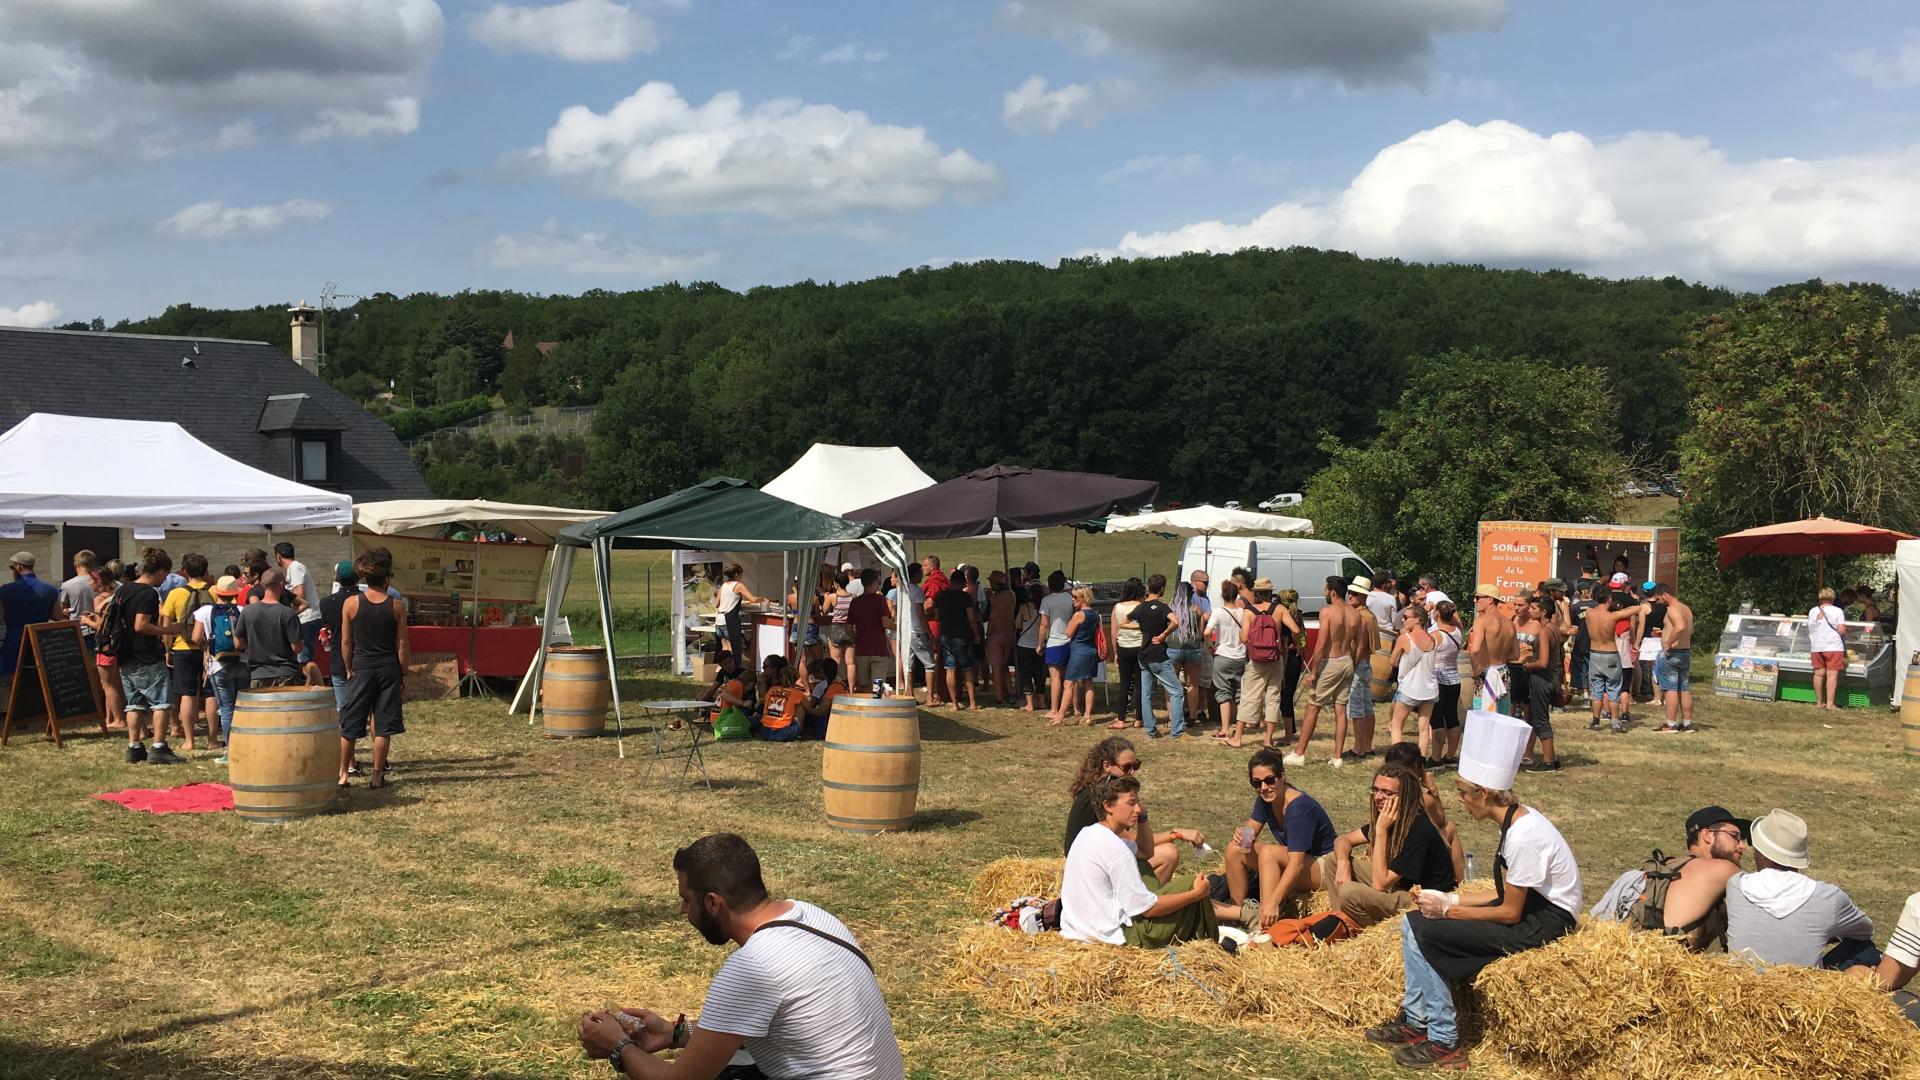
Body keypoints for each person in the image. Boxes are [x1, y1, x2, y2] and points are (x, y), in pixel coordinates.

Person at [577, 833, 905, 1080]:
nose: (682, 910)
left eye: (686, 900)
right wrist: (670, 1033)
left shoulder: (752, 969)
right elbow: (775, 1025)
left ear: (712, 903)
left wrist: (618, 1046)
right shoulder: (815, 917)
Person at [1369, 709, 1582, 1070]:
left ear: (1484, 793)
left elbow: (1510, 912)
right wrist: (1449, 898)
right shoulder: (1515, 820)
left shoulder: (1524, 837)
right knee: (1414, 922)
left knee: (1426, 930)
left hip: (1543, 923)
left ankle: (1444, 1041)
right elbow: (1504, 893)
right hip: (1533, 911)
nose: (1461, 802)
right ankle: (1416, 1020)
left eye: (1464, 794)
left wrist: (1447, 911)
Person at [1061, 774, 1219, 948]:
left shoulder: (1088, 832)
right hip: (1112, 937)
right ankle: (1211, 944)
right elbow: (1147, 909)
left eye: (1138, 803)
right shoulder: (1117, 849)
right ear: (1108, 806)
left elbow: (1145, 851)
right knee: (1192, 883)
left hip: (1078, 931)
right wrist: (1194, 895)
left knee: (1141, 863)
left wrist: (1143, 819)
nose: (1137, 809)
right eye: (1131, 803)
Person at [1724, 808, 1878, 972]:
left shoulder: (1736, 886)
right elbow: (1865, 931)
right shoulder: (1828, 897)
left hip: (1742, 985)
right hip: (1803, 989)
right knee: (1867, 950)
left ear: (1761, 852)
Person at [1589, 806, 1747, 952]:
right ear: (1707, 835)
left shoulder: (1667, 866)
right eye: (1735, 836)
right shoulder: (1725, 869)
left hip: (1630, 951)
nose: (1742, 846)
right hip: (1665, 964)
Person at [1323, 763, 1461, 928]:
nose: (1378, 797)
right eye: (1376, 790)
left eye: (1387, 793)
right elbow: (1343, 840)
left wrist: (1380, 831)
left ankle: (1366, 936)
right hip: (1400, 888)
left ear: (1405, 797)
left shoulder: (1418, 830)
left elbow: (1380, 884)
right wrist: (1343, 863)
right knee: (1333, 860)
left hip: (1424, 901)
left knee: (1349, 892)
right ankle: (1340, 922)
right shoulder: (1392, 818)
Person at [1220, 749, 1337, 930]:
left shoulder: (1298, 808)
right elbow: (1249, 834)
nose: (1264, 788)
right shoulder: (1265, 799)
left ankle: (1265, 924)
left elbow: (1296, 864)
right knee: (1234, 849)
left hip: (1326, 866)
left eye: (1270, 780)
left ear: (1282, 777)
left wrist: (1274, 901)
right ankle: (1238, 916)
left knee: (1269, 853)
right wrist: (1241, 835)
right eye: (1257, 783)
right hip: (1302, 860)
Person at [1063, 736, 1206, 883]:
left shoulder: (1102, 790)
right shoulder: (1100, 796)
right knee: (1168, 854)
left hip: (1096, 861)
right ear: (1107, 766)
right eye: (1126, 767)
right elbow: (1138, 844)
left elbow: (1135, 843)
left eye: (1135, 766)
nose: (1132, 772)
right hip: (1089, 871)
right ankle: (1153, 903)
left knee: (1166, 853)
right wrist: (1176, 834)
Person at [111, 549, 183, 765]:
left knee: (133, 703)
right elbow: (141, 625)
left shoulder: (124, 590)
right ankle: (159, 747)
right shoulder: (148, 593)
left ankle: (134, 746)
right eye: (165, 574)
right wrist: (168, 631)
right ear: (160, 571)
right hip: (146, 655)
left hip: (125, 653)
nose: (164, 579)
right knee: (161, 702)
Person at [1287, 576, 1364, 767]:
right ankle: (1337, 756)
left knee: (1313, 706)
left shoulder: (1327, 612)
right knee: (1341, 708)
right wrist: (1352, 663)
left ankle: (1299, 753)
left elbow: (1321, 645)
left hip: (1331, 661)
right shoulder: (1356, 614)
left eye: (1325, 589)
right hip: (1347, 661)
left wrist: (1313, 672)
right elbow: (1361, 644)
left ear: (1332, 592)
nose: (1324, 593)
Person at [157, 553, 215, 753]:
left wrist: (167, 649)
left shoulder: (175, 594)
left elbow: (165, 626)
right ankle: (213, 739)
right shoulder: (214, 591)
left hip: (183, 648)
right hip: (210, 649)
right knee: (210, 694)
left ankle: (190, 740)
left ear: (185, 572)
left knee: (187, 694)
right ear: (206, 571)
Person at [1232, 578, 1299, 749]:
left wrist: (1254, 646)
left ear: (1255, 593)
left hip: (1256, 661)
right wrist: (1294, 644)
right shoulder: (1279, 609)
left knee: (1248, 697)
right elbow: (1296, 630)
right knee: (1273, 698)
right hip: (1275, 660)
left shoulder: (1249, 611)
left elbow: (1244, 638)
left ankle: (1238, 737)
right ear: (1270, 592)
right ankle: (1268, 740)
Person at [190, 575, 249, 761]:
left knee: (226, 707)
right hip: (242, 661)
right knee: (243, 706)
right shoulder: (241, 609)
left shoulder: (205, 611)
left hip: (218, 665)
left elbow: (195, 637)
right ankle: (246, 743)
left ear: (217, 592)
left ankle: (231, 748)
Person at [1127, 574, 1185, 738]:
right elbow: (1175, 621)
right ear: (1162, 589)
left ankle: (1151, 730)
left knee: (1145, 693)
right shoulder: (1162, 607)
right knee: (1176, 691)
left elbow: (1125, 620)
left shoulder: (1140, 607)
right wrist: (1163, 635)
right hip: (1158, 655)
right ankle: (1177, 731)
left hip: (1143, 654)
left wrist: (1140, 629)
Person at [2, 550, 61, 703]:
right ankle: (37, 709)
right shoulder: (50, 590)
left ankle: (13, 712)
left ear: (18, 567)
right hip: (41, 641)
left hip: (15, 640)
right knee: (38, 676)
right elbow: (57, 616)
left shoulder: (6, 590)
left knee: (10, 678)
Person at [237, 569, 307, 689]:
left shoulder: (247, 611)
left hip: (257, 674)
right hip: (286, 673)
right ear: (281, 585)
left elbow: (238, 644)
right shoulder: (288, 613)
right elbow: (297, 648)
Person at [1514, 594, 1560, 772]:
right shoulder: (1553, 629)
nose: (1530, 611)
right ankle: (1553, 758)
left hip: (1541, 679)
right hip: (1548, 679)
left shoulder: (1544, 631)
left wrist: (1527, 665)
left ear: (1544, 612)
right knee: (1536, 717)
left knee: (1540, 721)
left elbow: (1543, 662)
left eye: (1534, 608)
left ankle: (1548, 761)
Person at [1581, 587, 1637, 733]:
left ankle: (1596, 721)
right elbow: (1630, 611)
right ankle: (1615, 723)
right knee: (1613, 689)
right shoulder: (1612, 616)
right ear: (1609, 599)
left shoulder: (1589, 613)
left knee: (1597, 690)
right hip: (1610, 654)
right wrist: (1640, 605)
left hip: (1594, 653)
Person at [80, 564, 125, 730]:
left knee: (107, 685)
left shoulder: (99, 599)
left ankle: (119, 719)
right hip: (118, 644)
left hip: (106, 646)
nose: (89, 583)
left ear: (98, 581)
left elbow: (100, 626)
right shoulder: (117, 594)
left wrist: (86, 621)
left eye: (91, 580)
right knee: (116, 683)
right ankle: (110, 718)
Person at [1206, 579, 1248, 742]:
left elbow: (1206, 632)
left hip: (1223, 654)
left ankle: (1225, 729)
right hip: (1240, 656)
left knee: (1223, 692)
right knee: (1239, 693)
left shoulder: (1218, 612)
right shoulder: (1243, 613)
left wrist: (1210, 646)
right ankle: (1239, 728)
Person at [932, 571, 980, 712]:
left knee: (950, 668)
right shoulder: (965, 597)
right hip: (962, 636)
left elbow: (936, 617)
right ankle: (972, 702)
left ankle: (954, 703)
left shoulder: (940, 596)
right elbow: (971, 618)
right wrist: (976, 633)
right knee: (968, 669)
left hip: (946, 635)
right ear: (961, 583)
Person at [1652, 583, 1696, 732]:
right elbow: (1690, 630)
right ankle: (1687, 723)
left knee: (1670, 689)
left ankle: (1670, 724)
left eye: (1658, 599)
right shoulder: (1686, 609)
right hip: (1685, 651)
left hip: (1672, 654)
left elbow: (1680, 627)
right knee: (1684, 688)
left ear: (1665, 595)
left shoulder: (1672, 608)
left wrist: (1668, 643)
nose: (1658, 602)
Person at [1165, 580, 1208, 732]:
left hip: (1173, 648)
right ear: (1191, 594)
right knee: (1193, 685)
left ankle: (1172, 718)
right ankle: (1192, 716)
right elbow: (1201, 633)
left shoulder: (1169, 609)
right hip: (1193, 649)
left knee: (1171, 685)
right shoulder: (1196, 610)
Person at [1054, 586, 1101, 725]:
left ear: (1083, 598)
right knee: (1088, 683)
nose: (1072, 600)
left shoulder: (1079, 615)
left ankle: (1060, 715)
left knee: (1069, 683)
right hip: (1091, 650)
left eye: (1075, 597)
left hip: (1078, 651)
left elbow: (1068, 632)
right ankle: (1087, 716)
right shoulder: (1094, 614)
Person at [1467, 584, 1515, 716]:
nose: (1474, 601)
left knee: (1482, 718)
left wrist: (1475, 669)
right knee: (1502, 716)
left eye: (1478, 597)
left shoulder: (1482, 621)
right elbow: (1515, 654)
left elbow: (1474, 649)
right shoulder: (1509, 623)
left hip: (1486, 673)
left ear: (1490, 600)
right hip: (1503, 672)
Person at [1427, 599, 1464, 765]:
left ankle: (1435, 757)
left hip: (1438, 680)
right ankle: (1450, 755)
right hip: (1454, 679)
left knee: (1436, 719)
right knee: (1452, 717)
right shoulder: (1457, 631)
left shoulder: (1435, 636)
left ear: (1437, 614)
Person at [1036, 571, 1075, 720]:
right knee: (1068, 677)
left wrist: (1040, 643)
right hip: (1069, 640)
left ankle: (1054, 708)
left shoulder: (1047, 601)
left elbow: (1044, 624)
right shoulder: (1070, 598)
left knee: (1055, 677)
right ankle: (1072, 705)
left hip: (1054, 641)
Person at [1108, 578, 1145, 730]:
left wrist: (1115, 651)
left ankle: (1121, 719)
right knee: (1140, 684)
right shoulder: (1142, 606)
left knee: (1125, 684)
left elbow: (1113, 633)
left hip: (1124, 647)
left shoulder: (1117, 607)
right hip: (1140, 647)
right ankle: (1139, 719)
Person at [846, 569, 893, 691]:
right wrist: (898, 626)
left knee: (865, 685)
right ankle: (877, 708)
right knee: (878, 685)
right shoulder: (879, 600)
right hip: (878, 648)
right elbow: (886, 622)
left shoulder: (855, 602)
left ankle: (867, 708)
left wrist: (856, 638)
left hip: (862, 649)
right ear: (873, 583)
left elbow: (848, 628)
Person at [715, 563, 766, 670]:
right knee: (734, 649)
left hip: (719, 619)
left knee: (725, 649)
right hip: (730, 620)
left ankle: (723, 672)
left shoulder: (724, 585)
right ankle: (734, 671)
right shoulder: (738, 585)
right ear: (737, 574)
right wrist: (764, 599)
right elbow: (753, 599)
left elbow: (717, 604)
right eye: (741, 575)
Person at [1807, 587, 1849, 711]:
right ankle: (1830, 704)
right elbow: (1841, 630)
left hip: (1816, 646)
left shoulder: (1813, 611)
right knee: (1832, 675)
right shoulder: (1838, 611)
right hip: (1833, 646)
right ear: (1833, 597)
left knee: (1818, 674)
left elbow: (1811, 628)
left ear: (1820, 597)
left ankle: (1819, 702)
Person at [984, 569, 1017, 706]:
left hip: (996, 633)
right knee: (1004, 666)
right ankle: (1010, 692)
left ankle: (999, 696)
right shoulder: (1011, 594)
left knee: (996, 667)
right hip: (1009, 632)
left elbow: (991, 616)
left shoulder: (994, 598)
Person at [1013, 581, 1046, 712]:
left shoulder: (1024, 607)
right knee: (1039, 674)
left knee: (1026, 674)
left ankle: (1030, 704)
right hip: (1039, 644)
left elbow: (1017, 625)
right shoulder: (1044, 608)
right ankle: (1042, 701)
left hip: (1024, 644)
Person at [59, 549, 97, 646]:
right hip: (98, 629)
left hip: (77, 630)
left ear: (75, 564)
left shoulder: (67, 585)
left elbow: (64, 610)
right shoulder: (102, 583)